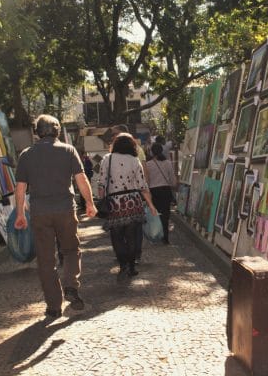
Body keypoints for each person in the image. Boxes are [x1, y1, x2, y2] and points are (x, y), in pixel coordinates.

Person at [14, 115, 97, 318]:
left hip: (40, 212)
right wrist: (90, 202)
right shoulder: (68, 150)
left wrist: (19, 214)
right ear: (57, 131)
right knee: (70, 250)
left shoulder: (26, 154)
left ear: (37, 132)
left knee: (45, 259)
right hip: (65, 209)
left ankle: (53, 306)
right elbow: (81, 178)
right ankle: (70, 285)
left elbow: (20, 188)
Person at [97, 132, 158, 279]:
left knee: (116, 237)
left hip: (115, 203)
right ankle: (131, 266)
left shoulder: (107, 159)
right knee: (132, 237)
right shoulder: (134, 160)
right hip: (132, 201)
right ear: (132, 146)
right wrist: (151, 205)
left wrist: (101, 200)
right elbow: (142, 185)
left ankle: (122, 265)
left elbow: (101, 184)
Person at [147, 142, 177, 244]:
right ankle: (166, 237)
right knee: (165, 214)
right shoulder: (167, 163)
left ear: (151, 152)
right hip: (165, 190)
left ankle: (156, 234)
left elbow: (147, 180)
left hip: (153, 191)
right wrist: (174, 184)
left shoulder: (148, 165)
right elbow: (172, 178)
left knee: (155, 214)